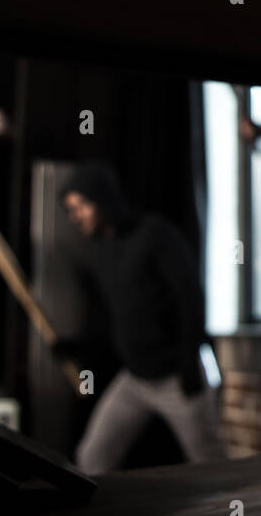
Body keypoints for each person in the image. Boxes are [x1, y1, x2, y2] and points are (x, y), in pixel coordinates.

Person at [59, 160, 226, 473]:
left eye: (81, 206)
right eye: (71, 209)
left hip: (179, 378)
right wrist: (75, 346)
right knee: (91, 459)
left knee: (212, 466)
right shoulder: (99, 252)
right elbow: (116, 315)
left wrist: (191, 361)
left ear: (102, 200)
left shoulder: (155, 236)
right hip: (135, 379)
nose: (75, 216)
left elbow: (191, 298)